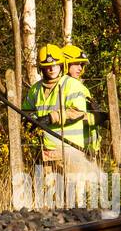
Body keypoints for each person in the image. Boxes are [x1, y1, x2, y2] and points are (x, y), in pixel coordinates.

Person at [22, 43, 92, 176]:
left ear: (61, 65)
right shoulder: (35, 89)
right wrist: (30, 120)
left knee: (74, 193)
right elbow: (26, 111)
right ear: (41, 68)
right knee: (51, 193)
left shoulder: (71, 85)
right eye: (47, 66)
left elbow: (77, 111)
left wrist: (50, 118)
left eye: (55, 65)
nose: (51, 69)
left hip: (71, 151)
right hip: (47, 152)